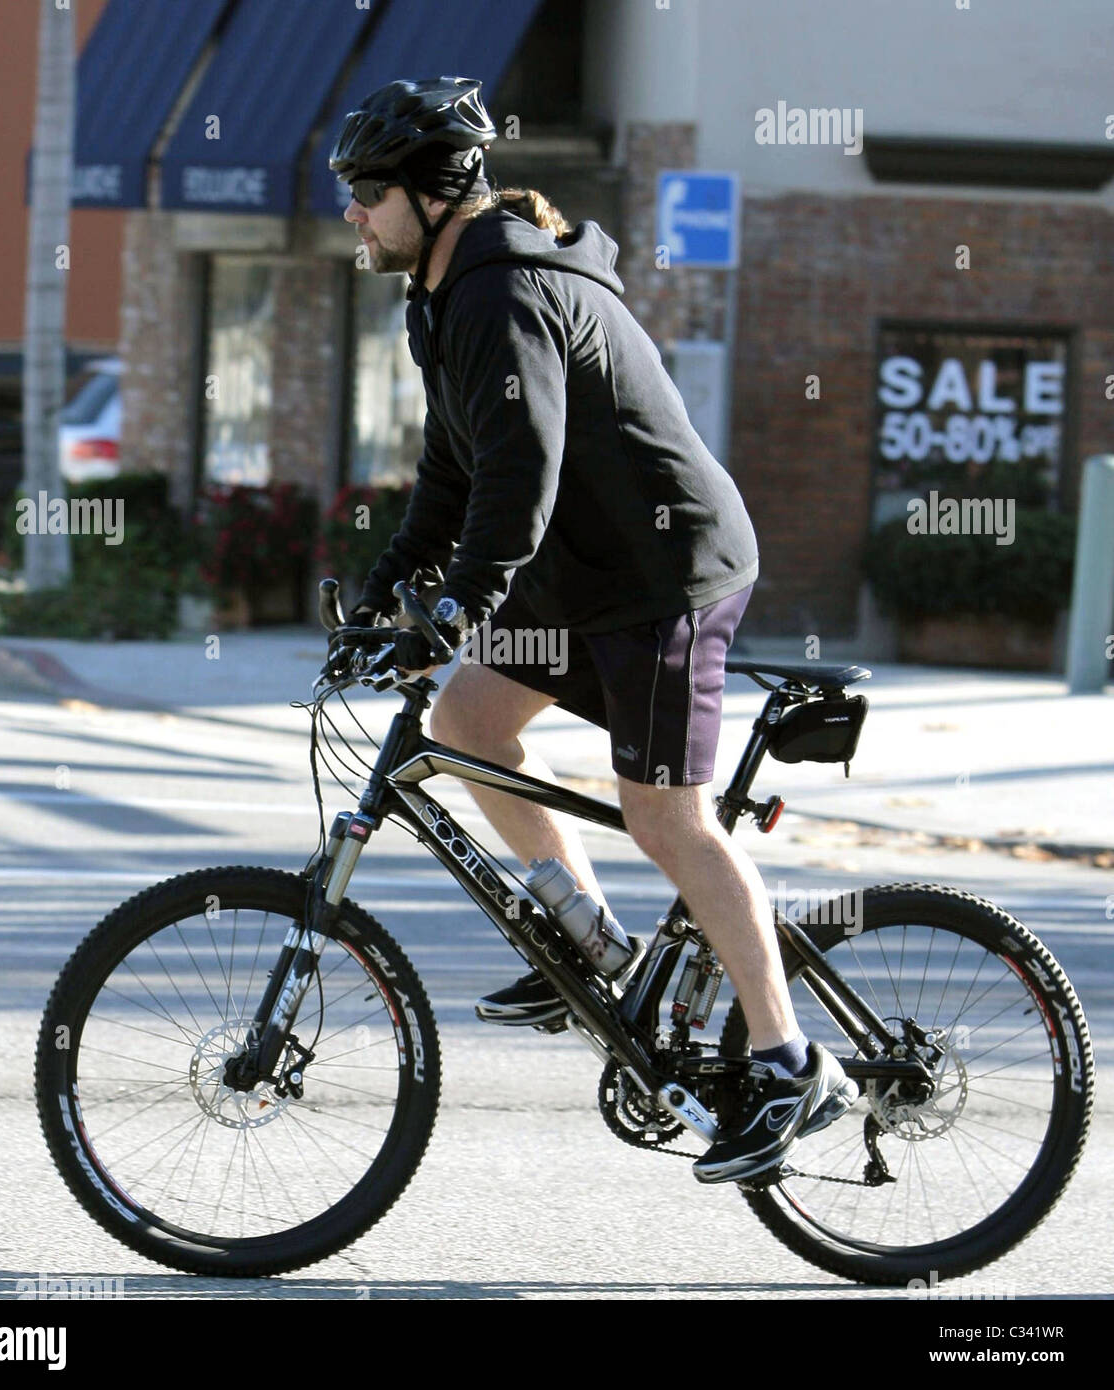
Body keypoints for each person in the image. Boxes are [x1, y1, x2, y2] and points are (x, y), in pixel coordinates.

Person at [328, 77, 856, 1183]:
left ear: (431, 192)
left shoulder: (504, 292)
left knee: (664, 815)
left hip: (664, 573)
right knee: (465, 717)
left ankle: (786, 1059)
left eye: (365, 192)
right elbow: (449, 472)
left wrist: (457, 605)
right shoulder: (442, 295)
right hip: (582, 573)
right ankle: (584, 933)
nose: (351, 213)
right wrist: (380, 593)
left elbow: (518, 478)